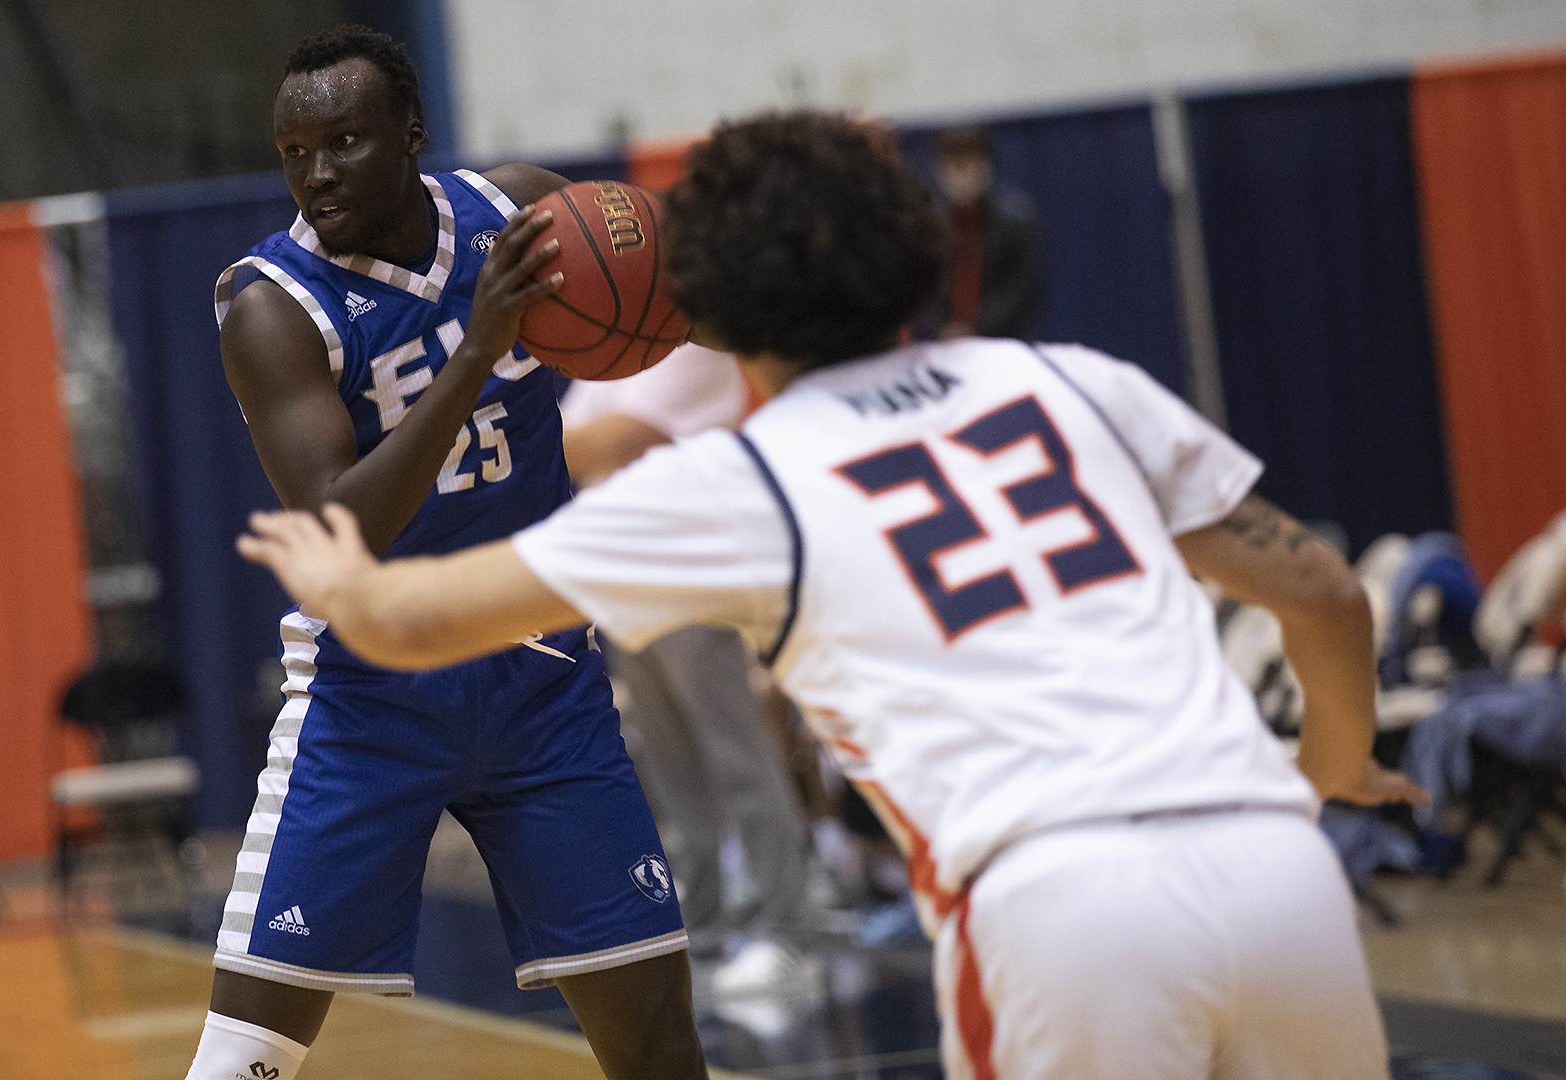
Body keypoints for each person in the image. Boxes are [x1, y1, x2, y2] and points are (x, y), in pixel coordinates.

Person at [235, 111, 1429, 1079]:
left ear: (708, 302)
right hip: (1279, 871)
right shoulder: (1071, 380)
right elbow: (1324, 594)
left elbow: (414, 623)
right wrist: (1332, 766)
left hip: (1055, 901)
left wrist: (335, 571)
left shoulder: (741, 481)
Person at [186, 25, 707, 1080]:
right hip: (373, 696)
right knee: (244, 1064)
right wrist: (477, 350)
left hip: (542, 681)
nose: (317, 173)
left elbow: (678, 299)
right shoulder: (273, 307)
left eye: (344, 141)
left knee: (658, 1048)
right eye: (295, 153)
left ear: (413, 131)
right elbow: (341, 530)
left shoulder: (518, 214)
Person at [563, 346, 820, 996]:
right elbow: (571, 437)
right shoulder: (617, 350)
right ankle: (701, 922)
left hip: (690, 565)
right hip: (621, 569)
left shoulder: (697, 349)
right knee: (667, 761)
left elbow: (612, 440)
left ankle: (788, 932)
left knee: (736, 753)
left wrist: (502, 443)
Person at [911, 125, 1045, 341]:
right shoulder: (926, 221)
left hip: (998, 343)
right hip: (938, 345)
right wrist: (942, 331)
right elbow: (919, 287)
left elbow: (1020, 289)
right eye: (954, 158)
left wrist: (975, 331)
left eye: (971, 157)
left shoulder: (1017, 219)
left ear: (987, 161)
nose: (963, 167)